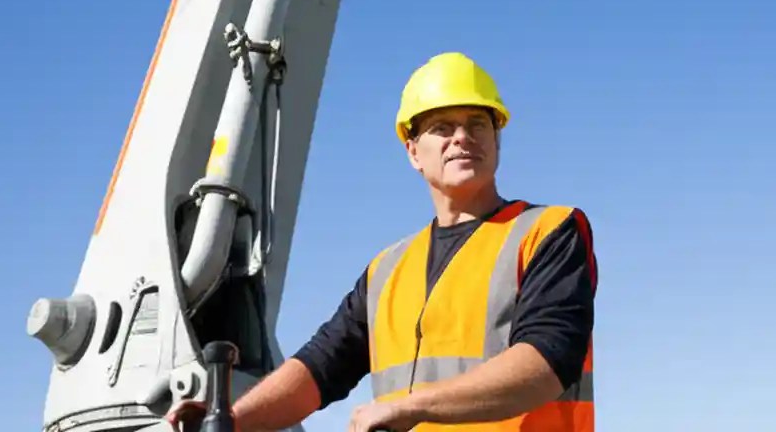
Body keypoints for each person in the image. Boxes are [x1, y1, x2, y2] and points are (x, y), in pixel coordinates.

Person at [167, 52, 597, 431]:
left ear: (495, 141)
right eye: (442, 127)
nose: (462, 138)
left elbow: (546, 362)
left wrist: (412, 407)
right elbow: (319, 367)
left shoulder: (549, 231)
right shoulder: (386, 271)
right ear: (413, 152)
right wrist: (232, 421)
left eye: (477, 124)